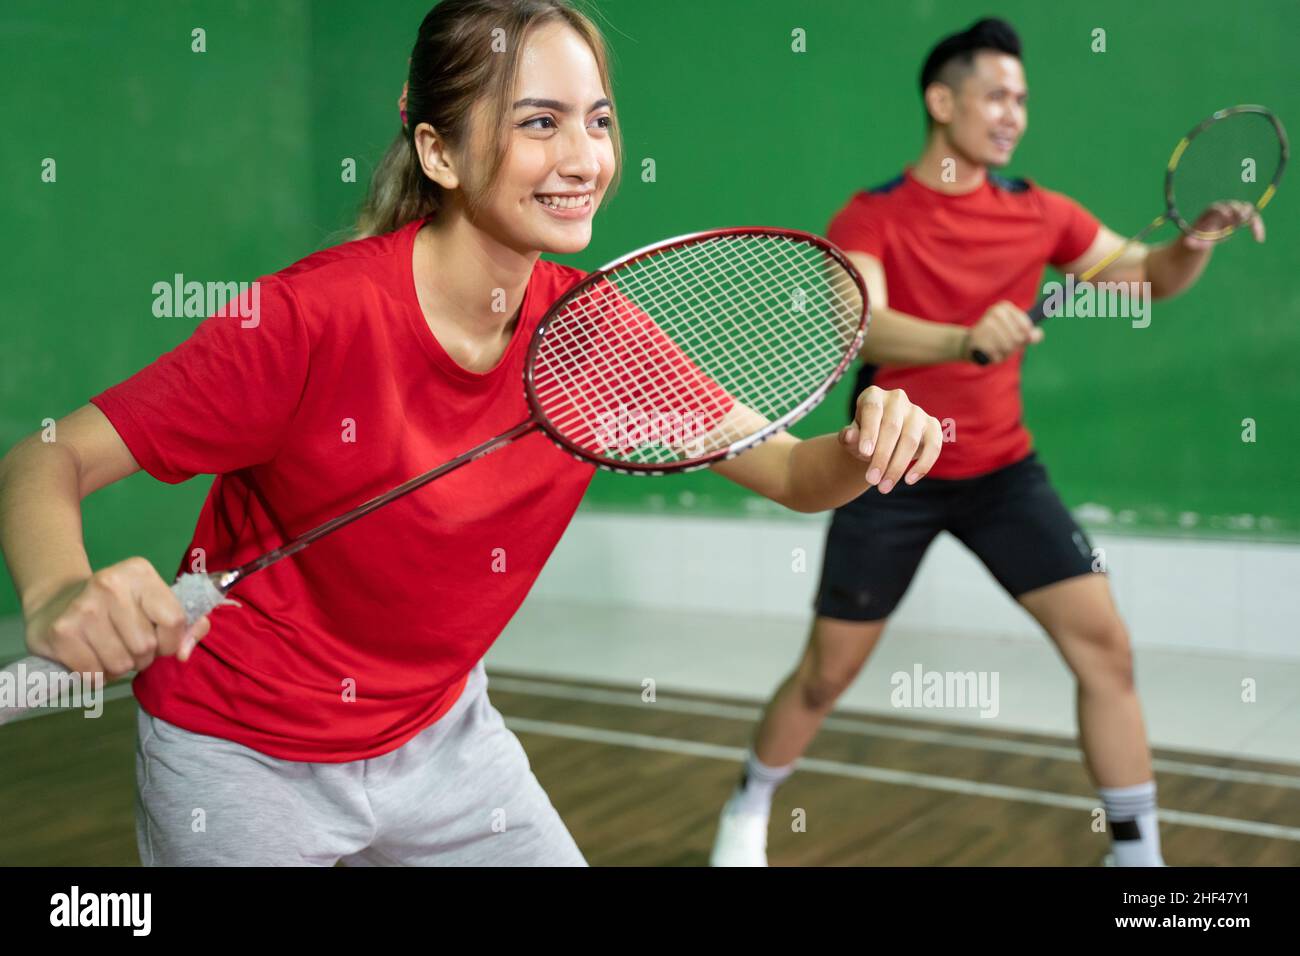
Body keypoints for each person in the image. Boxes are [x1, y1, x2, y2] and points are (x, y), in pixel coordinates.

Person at [0, 0, 943, 866]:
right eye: (541, 121)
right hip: (244, 751)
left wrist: (866, 448)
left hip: (441, 738)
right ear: (439, 153)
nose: (584, 158)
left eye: (599, 120)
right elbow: (49, 454)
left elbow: (789, 470)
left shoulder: (596, 332)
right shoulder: (307, 321)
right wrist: (57, 590)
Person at [710, 17, 1264, 868]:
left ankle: (1136, 857)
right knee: (826, 675)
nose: (1014, 114)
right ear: (942, 100)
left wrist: (1193, 241)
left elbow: (1148, 281)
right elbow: (859, 324)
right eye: (997, 94)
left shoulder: (1038, 211)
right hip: (887, 470)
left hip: (1002, 469)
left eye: (1023, 100)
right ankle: (751, 801)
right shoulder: (871, 216)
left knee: (1106, 648)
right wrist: (960, 336)